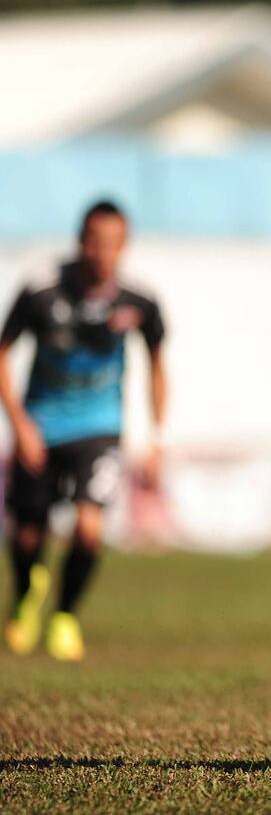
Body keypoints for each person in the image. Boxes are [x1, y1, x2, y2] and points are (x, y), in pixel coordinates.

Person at [1, 201, 166, 661]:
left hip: (99, 428)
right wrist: (19, 423)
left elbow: (157, 365)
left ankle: (65, 617)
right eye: (95, 241)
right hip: (41, 426)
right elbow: (2, 352)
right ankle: (24, 597)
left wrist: (156, 438)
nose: (103, 252)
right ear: (80, 241)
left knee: (90, 529)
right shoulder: (41, 290)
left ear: (124, 246)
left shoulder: (140, 301)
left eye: (113, 243)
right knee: (29, 535)